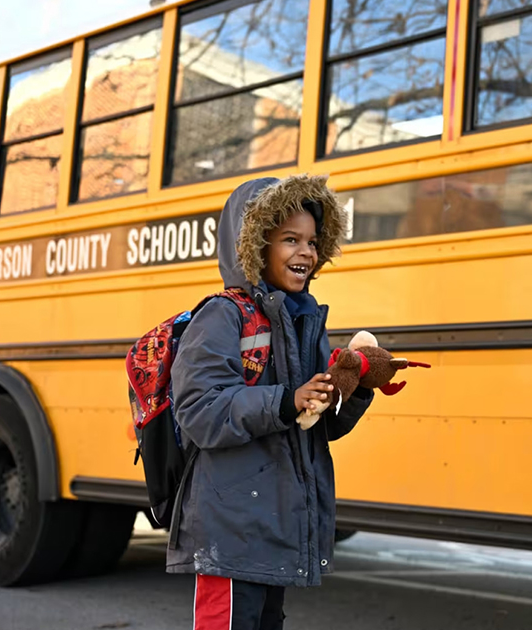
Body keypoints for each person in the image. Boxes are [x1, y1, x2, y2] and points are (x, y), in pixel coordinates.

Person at [168, 175, 373, 630]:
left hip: (276, 524)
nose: (307, 253)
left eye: (314, 242)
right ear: (254, 245)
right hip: (230, 531)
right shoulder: (221, 315)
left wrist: (357, 389)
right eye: (290, 240)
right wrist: (285, 400)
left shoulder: (304, 321)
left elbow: (319, 424)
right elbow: (200, 411)